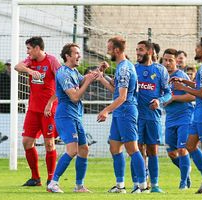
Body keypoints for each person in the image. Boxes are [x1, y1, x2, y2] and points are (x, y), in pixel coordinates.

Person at [97, 36, 149, 194]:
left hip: (126, 111)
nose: (107, 51)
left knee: (132, 149)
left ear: (117, 50)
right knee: (114, 147)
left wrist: (106, 110)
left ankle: (143, 186)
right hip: (120, 111)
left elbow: (123, 97)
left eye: (109, 48)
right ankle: (120, 186)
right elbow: (116, 92)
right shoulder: (121, 67)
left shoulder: (125, 68)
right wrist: (102, 77)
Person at [47, 43, 99, 193]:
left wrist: (97, 72)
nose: (79, 56)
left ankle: (79, 186)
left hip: (75, 116)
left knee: (84, 149)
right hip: (65, 116)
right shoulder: (63, 73)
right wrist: (88, 81)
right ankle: (53, 183)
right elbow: (75, 96)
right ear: (67, 56)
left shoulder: (74, 71)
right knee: (72, 149)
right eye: (76, 53)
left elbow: (83, 81)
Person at [171, 36, 202, 194]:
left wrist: (182, 88)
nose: (196, 50)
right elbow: (200, 86)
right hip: (200, 112)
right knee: (190, 145)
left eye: (198, 47)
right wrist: (185, 82)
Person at [15, 36, 60, 187]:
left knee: (49, 144)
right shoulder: (30, 61)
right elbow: (17, 67)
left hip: (49, 110)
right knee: (27, 142)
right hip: (33, 110)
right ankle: (35, 178)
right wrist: (29, 70)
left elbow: (62, 83)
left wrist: (50, 103)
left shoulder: (52, 61)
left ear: (37, 48)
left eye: (29, 49)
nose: (27, 52)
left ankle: (51, 179)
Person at [134, 40, 171, 193]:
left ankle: (155, 185)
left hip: (152, 116)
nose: (137, 52)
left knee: (152, 150)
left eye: (140, 50)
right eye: (136, 50)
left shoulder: (160, 70)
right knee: (137, 149)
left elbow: (168, 93)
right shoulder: (133, 69)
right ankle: (138, 183)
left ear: (149, 51)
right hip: (135, 116)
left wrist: (159, 100)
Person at [162, 48, 195, 189]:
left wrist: (174, 97)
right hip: (170, 118)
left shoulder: (181, 75)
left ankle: (183, 183)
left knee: (183, 150)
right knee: (171, 152)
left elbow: (192, 96)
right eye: (165, 60)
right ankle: (186, 171)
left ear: (176, 61)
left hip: (184, 116)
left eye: (171, 60)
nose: (168, 63)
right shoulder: (161, 76)